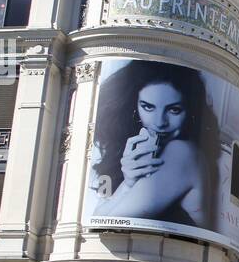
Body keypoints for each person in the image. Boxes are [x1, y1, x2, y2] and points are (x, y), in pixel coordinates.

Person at [90, 60, 220, 229]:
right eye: (148, 107)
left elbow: (105, 223)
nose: (159, 123)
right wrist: (128, 183)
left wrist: (128, 186)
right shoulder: (151, 156)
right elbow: (98, 219)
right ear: (134, 107)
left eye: (174, 110)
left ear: (190, 111)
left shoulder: (182, 152)